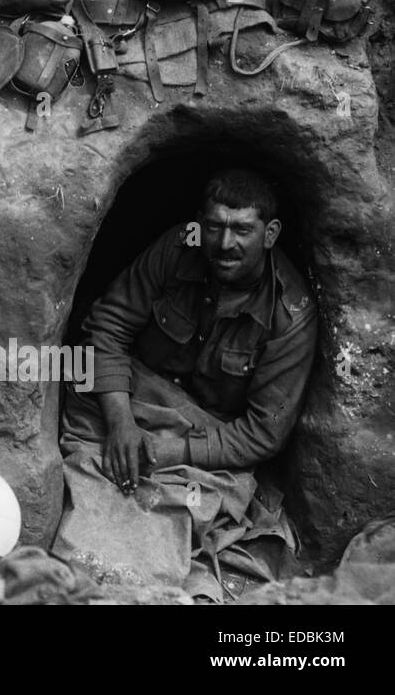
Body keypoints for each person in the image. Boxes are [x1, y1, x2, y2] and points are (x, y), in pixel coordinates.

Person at [52, 168, 318, 596]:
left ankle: (135, 581)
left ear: (270, 234)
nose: (225, 243)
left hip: (204, 440)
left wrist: (168, 451)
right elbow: (108, 326)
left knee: (184, 505)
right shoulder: (179, 248)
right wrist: (120, 422)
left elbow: (264, 434)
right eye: (214, 226)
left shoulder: (289, 315)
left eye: (243, 230)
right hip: (134, 401)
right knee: (89, 452)